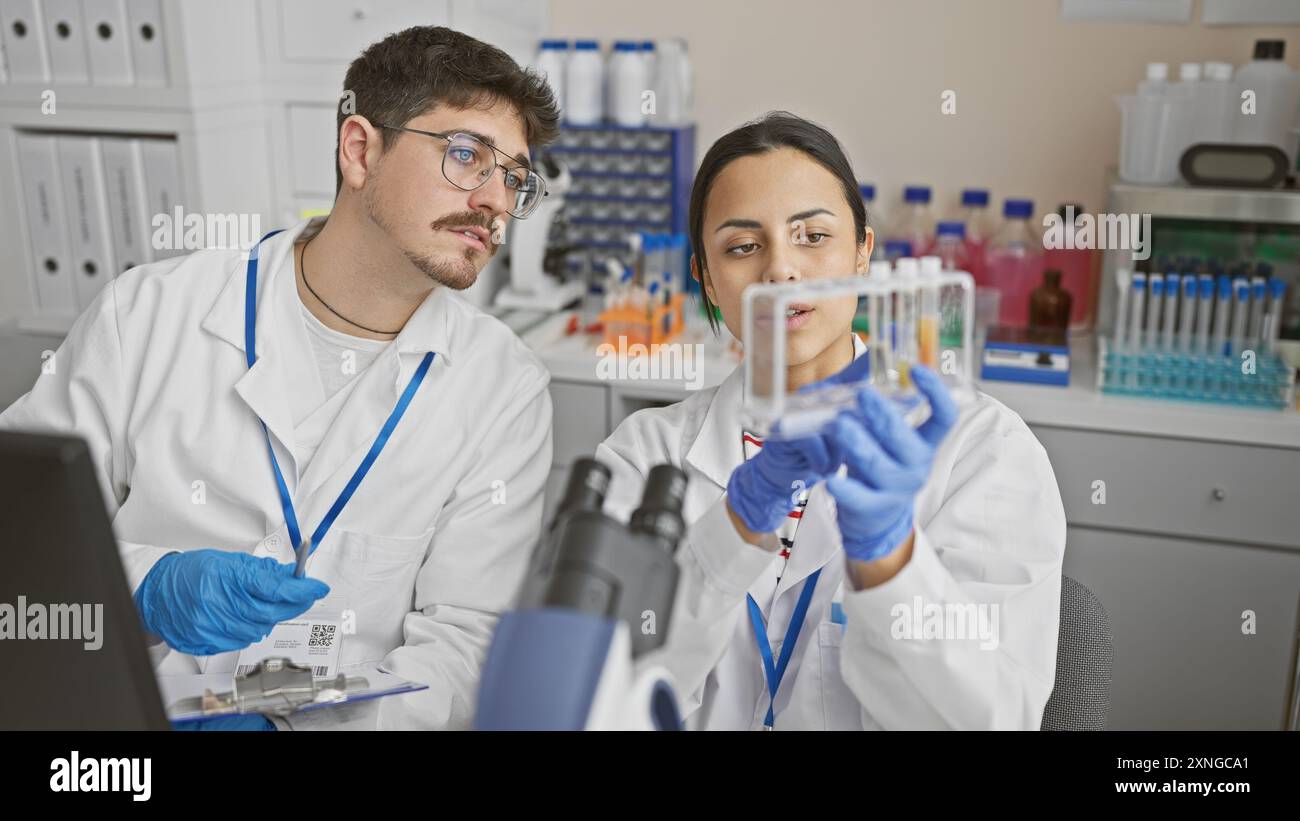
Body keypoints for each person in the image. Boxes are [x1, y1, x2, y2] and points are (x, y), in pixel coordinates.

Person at [0, 26, 560, 730]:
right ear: (360, 150)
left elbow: (464, 645)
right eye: (466, 155)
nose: (496, 202)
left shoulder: (503, 390)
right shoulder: (149, 313)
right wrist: (145, 588)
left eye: (514, 177)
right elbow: (18, 527)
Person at [596, 112, 1067, 730]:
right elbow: (599, 701)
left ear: (864, 250)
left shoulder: (984, 451)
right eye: (742, 246)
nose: (781, 271)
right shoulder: (644, 456)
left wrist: (890, 562)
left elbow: (993, 720)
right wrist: (731, 531)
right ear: (706, 279)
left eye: (813, 236)